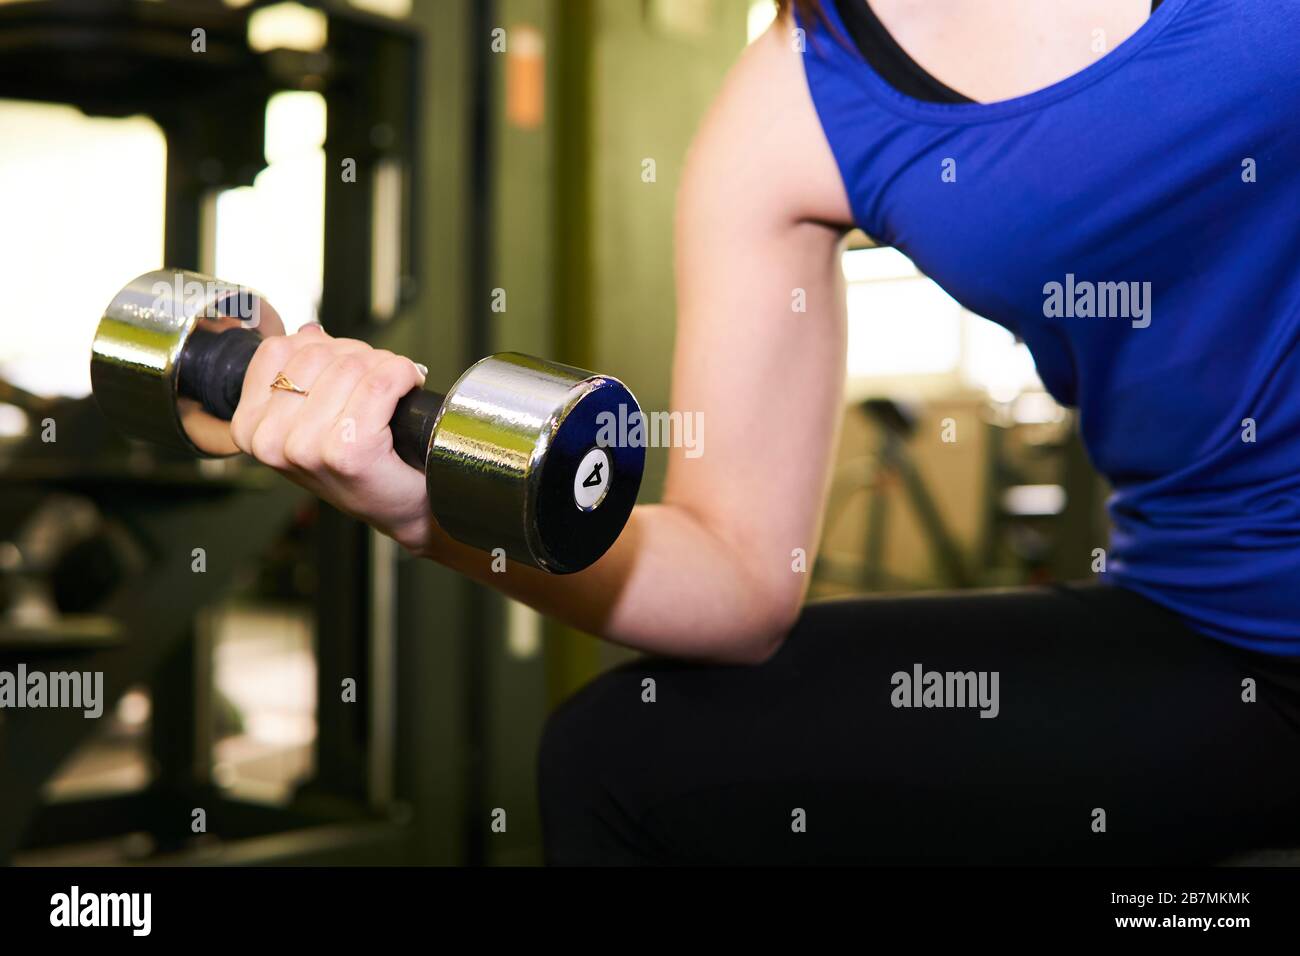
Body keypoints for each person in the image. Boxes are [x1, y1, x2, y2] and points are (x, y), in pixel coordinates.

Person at [227, 0, 1300, 864]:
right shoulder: (793, 104)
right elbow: (737, 580)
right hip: (1229, 634)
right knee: (625, 757)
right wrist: (425, 504)